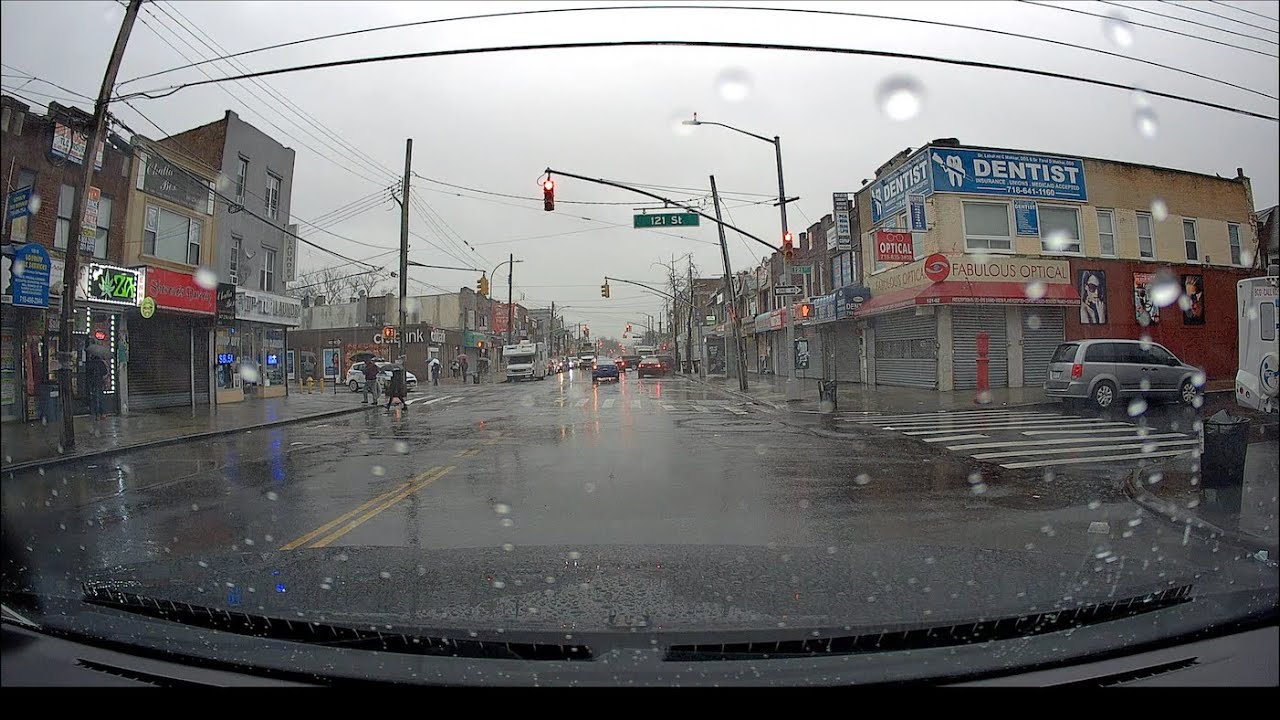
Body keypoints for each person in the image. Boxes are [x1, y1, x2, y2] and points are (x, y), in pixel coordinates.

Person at [84, 350, 109, 420]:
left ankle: (96, 414)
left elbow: (88, 374)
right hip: (100, 382)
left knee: (94, 398)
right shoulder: (101, 363)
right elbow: (105, 372)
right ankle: (102, 413)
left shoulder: (90, 363)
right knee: (100, 398)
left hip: (93, 383)